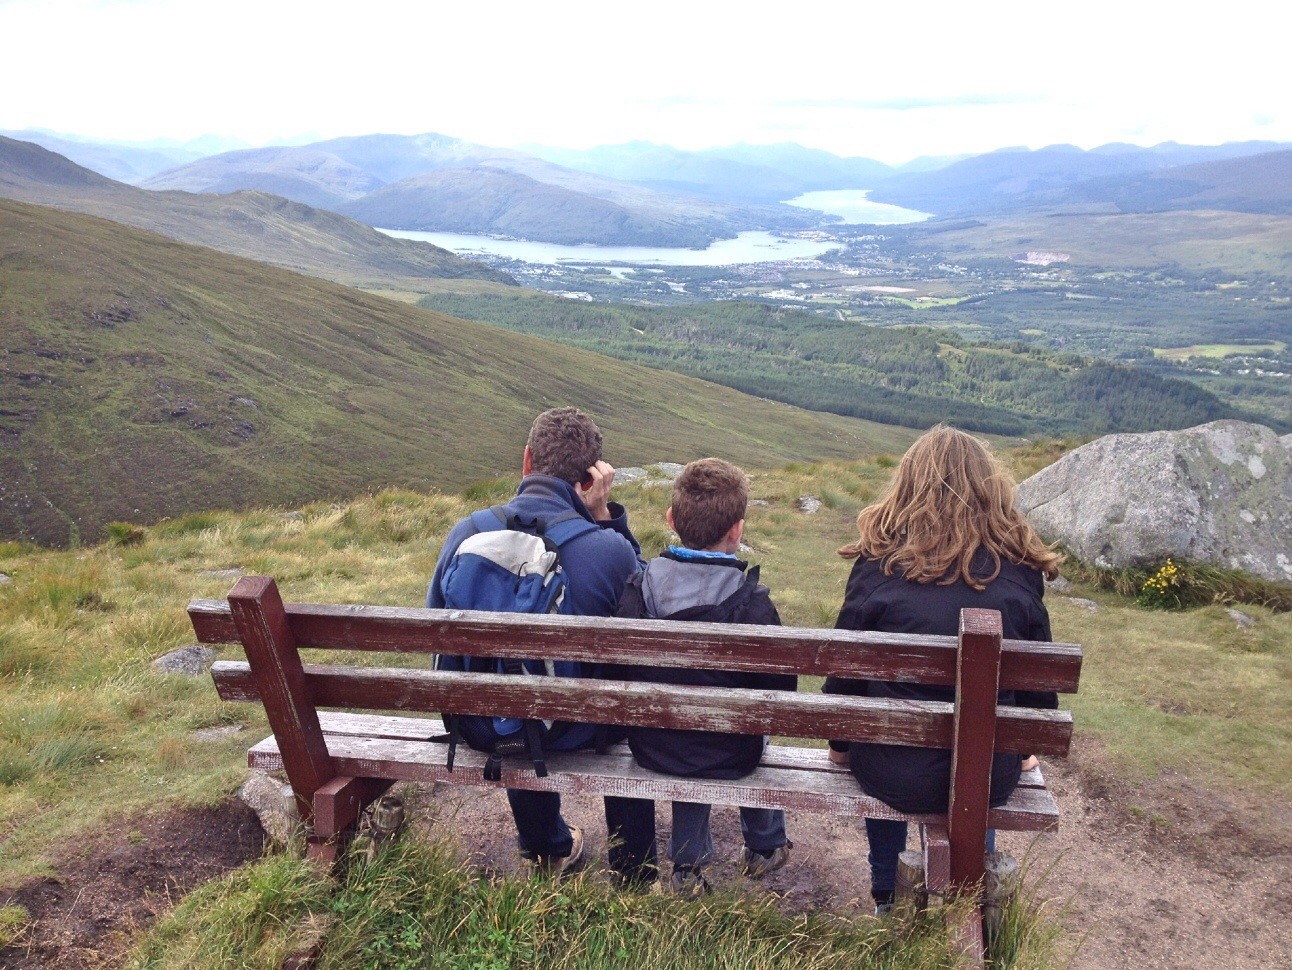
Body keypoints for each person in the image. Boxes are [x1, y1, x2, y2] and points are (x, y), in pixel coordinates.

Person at [822, 425, 1061, 914]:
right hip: (988, 777)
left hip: (890, 770)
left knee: (884, 738)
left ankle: (887, 890)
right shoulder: (1018, 571)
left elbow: (844, 676)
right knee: (981, 753)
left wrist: (842, 747)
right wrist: (1024, 750)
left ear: (907, 487)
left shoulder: (877, 566)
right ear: (989, 490)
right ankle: (972, 882)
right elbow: (1040, 699)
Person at [426, 407, 645, 876]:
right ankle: (632, 868)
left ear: (527, 460)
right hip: (579, 727)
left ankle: (547, 846)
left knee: (508, 687)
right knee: (624, 699)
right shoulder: (608, 549)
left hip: (482, 724)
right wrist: (605, 516)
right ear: (592, 477)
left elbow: (435, 623)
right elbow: (643, 623)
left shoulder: (468, 532)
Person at [603, 458, 795, 895]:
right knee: (738, 727)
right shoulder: (754, 606)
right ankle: (762, 846)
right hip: (732, 753)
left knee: (690, 727)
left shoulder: (637, 591)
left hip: (652, 746)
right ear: (737, 530)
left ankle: (690, 870)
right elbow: (781, 698)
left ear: (671, 520)